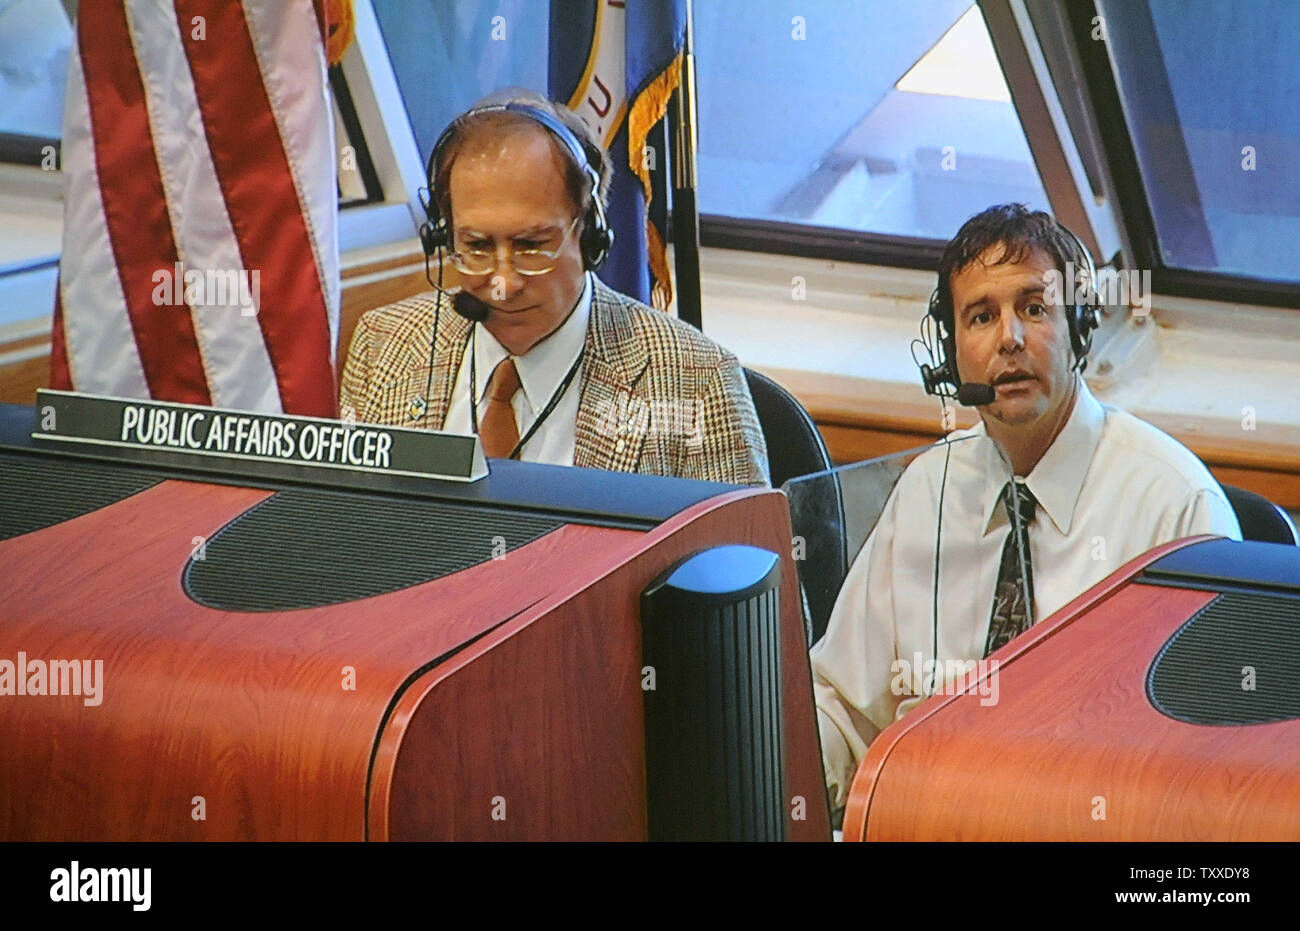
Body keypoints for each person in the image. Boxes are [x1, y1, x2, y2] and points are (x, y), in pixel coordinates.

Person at [811, 204, 1241, 817]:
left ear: (1080, 330)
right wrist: (777, 774)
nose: (1009, 338)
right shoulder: (927, 491)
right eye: (981, 317)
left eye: (1034, 309)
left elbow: (1212, 772)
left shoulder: (1176, 510)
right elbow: (842, 706)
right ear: (951, 353)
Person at [340, 90, 767, 486]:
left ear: (591, 235)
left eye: (531, 246)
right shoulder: (383, 346)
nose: (503, 285)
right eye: (476, 246)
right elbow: (344, 536)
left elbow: (737, 560)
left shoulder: (695, 381)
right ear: (442, 237)